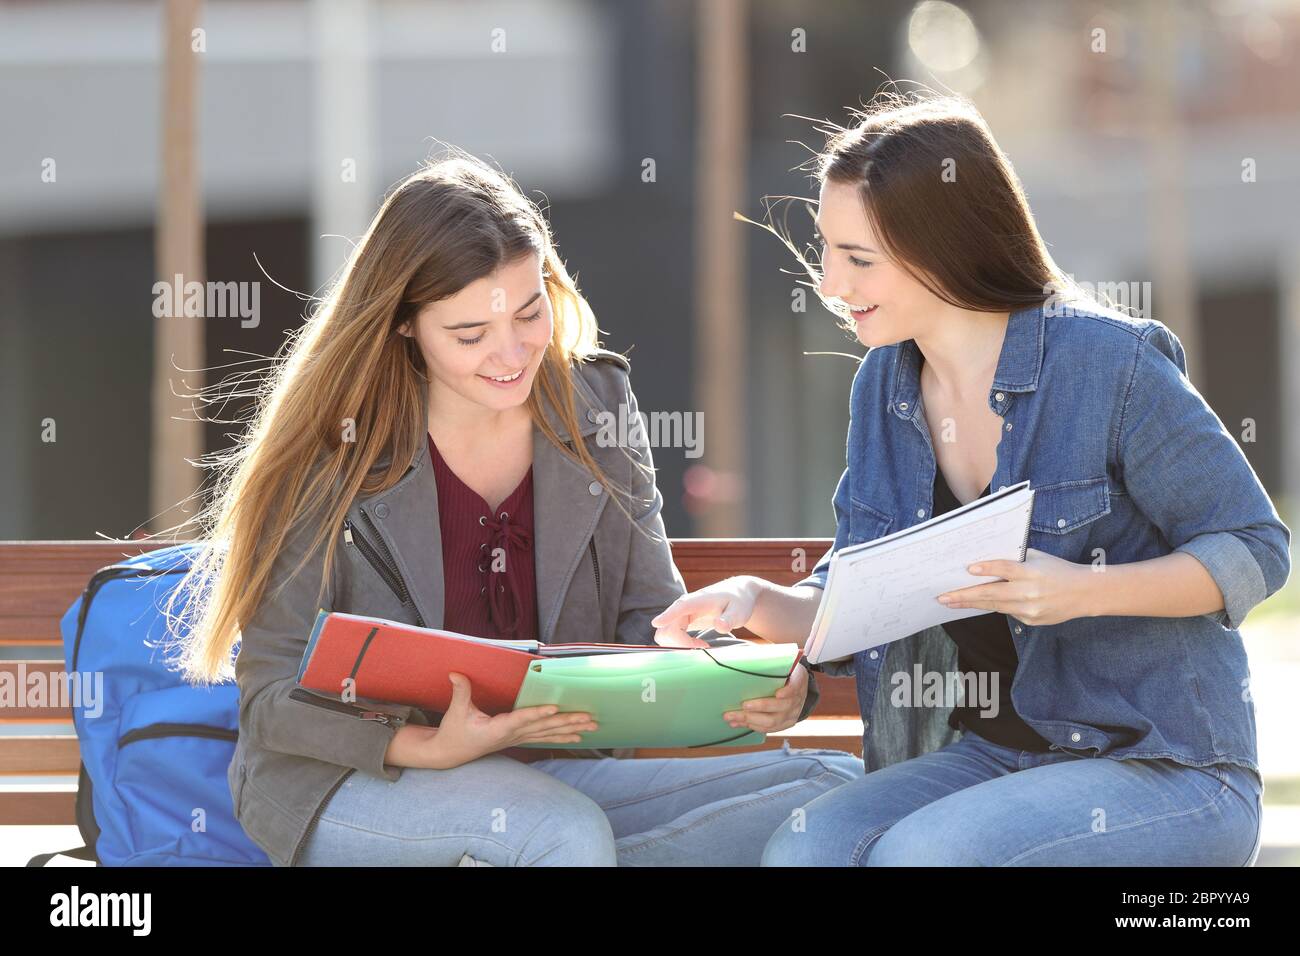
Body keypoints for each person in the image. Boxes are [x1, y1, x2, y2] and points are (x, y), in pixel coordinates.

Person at [172, 151, 862, 867]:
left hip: (551, 770)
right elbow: (271, 699)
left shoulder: (597, 408)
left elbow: (649, 622)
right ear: (404, 324)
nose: (510, 354)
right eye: (469, 335)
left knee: (825, 793)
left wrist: (745, 679)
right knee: (559, 836)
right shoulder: (334, 444)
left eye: (530, 313)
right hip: (361, 779)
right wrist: (429, 745)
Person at [652, 93, 1289, 866]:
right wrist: (757, 603)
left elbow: (1255, 549)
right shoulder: (883, 386)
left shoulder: (1108, 365)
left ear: (944, 247)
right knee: (804, 850)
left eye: (858, 259)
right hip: (1000, 757)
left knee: (923, 858)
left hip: (1165, 766)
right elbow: (857, 590)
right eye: (827, 249)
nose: (827, 282)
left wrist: (1081, 591)